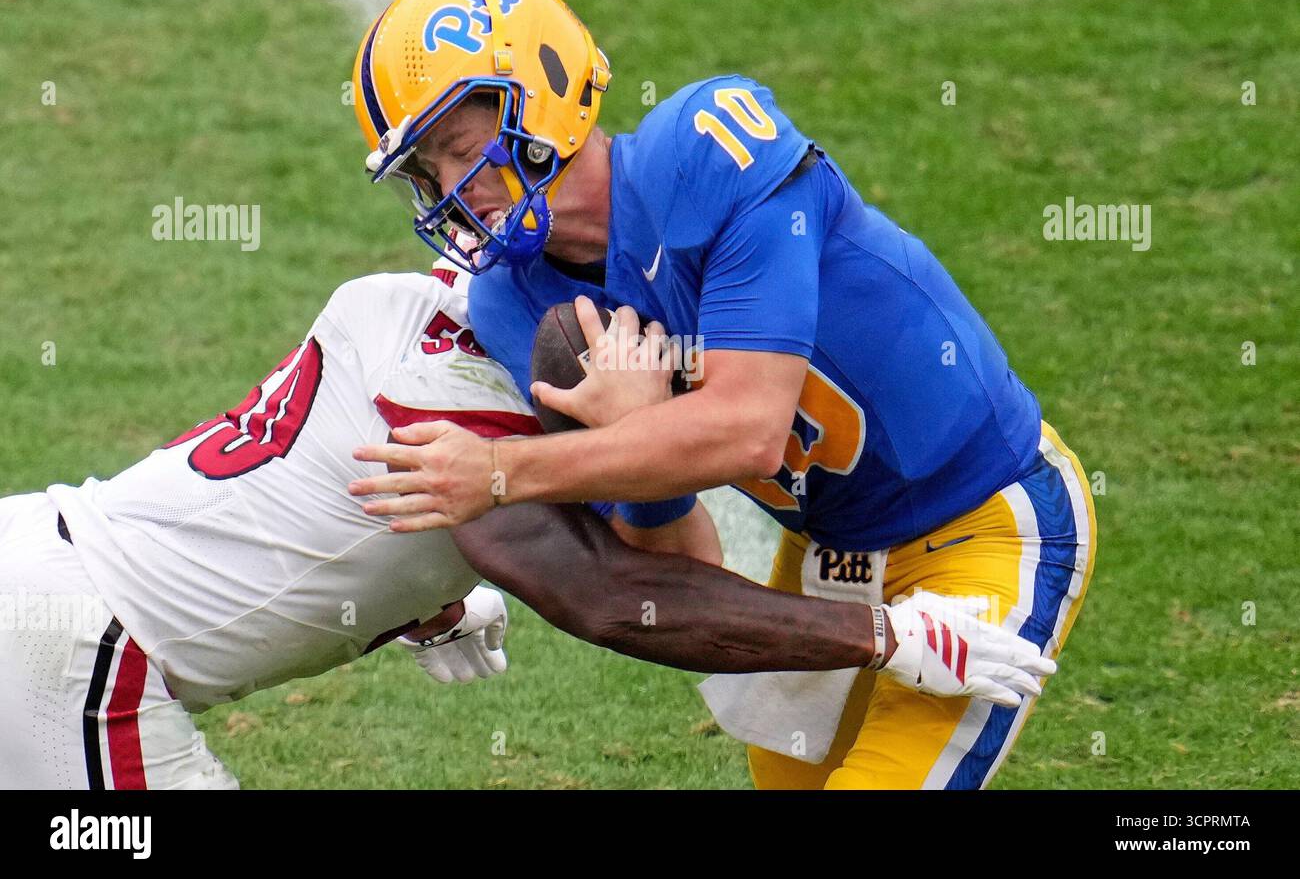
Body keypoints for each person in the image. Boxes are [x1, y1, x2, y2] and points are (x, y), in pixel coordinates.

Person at [349, 0, 1097, 789]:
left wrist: (500, 472)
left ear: (546, 94)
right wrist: (636, 451)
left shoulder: (704, 146)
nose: (454, 191)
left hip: (985, 517)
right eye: (427, 172)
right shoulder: (511, 303)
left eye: (462, 149)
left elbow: (749, 429)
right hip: (831, 561)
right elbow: (679, 577)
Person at [0, 263, 1050, 789]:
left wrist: (411, 598)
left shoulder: (387, 306)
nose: (641, 341)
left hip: (43, 572)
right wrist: (883, 636)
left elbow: (290, 503)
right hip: (73, 650)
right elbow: (626, 601)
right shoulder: (468, 411)